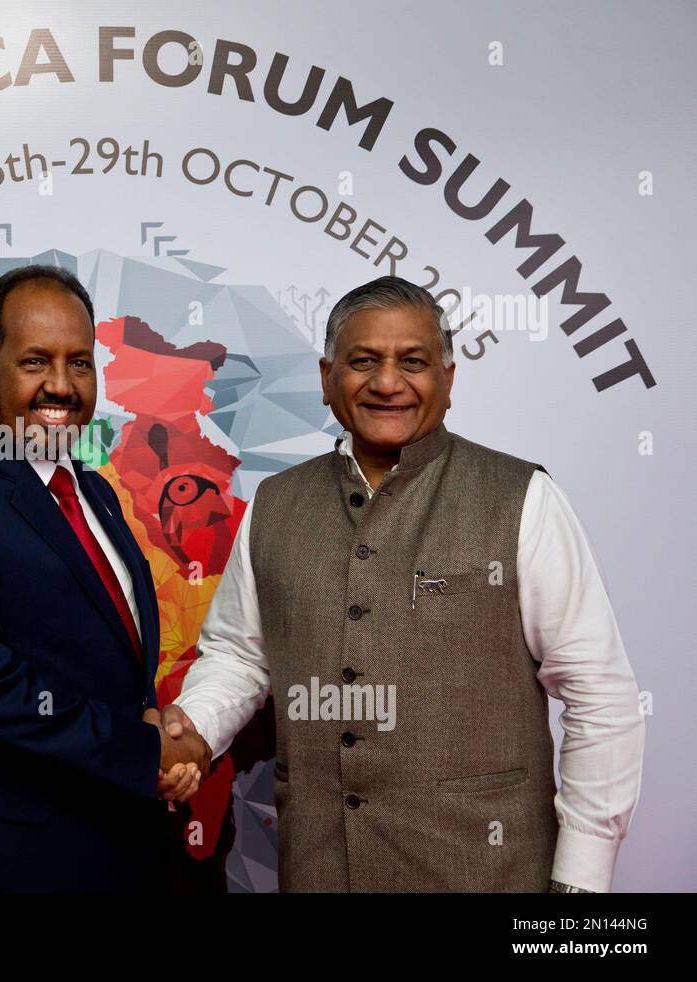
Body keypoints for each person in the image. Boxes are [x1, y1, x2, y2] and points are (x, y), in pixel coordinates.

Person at [161, 275, 644, 892]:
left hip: (488, 873)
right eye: (364, 362)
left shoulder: (521, 499)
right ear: (326, 377)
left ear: (448, 377)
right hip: (320, 870)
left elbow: (599, 696)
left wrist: (579, 883)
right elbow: (238, 656)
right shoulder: (276, 505)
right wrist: (194, 729)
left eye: (412, 362)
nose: (388, 383)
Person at [0, 264, 209, 892]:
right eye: (34, 362)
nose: (61, 386)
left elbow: (106, 666)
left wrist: (157, 736)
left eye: (80, 363)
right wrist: (146, 753)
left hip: (109, 849)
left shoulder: (96, 493)